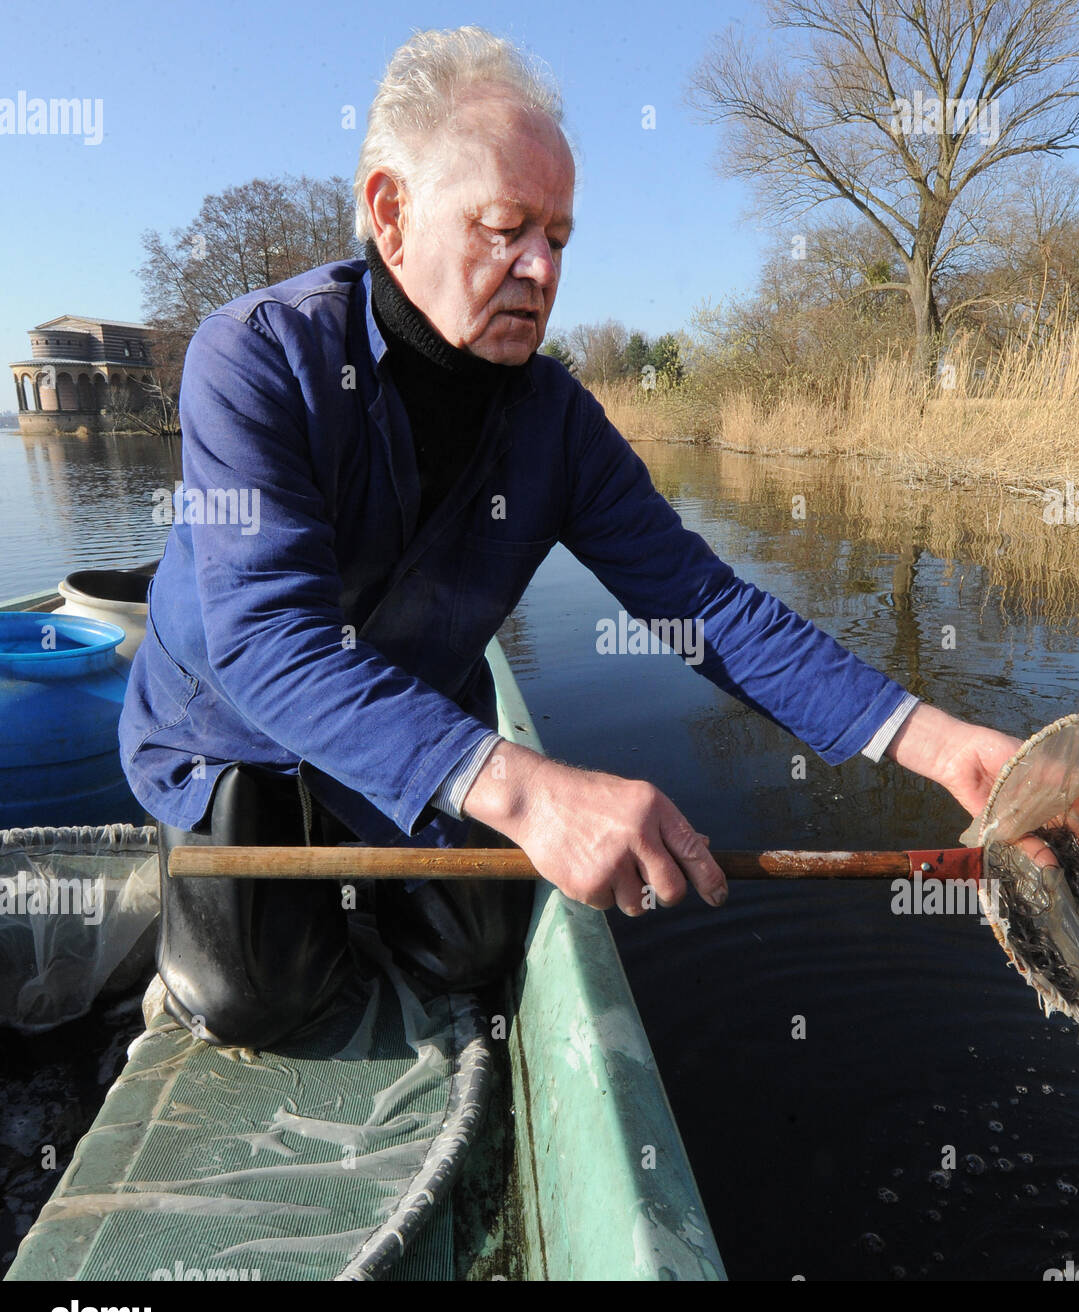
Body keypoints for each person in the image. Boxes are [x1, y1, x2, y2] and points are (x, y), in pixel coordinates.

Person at [119, 26, 1024, 1049]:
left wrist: (939, 742)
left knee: (470, 953)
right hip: (238, 733)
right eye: (505, 228)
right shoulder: (255, 360)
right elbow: (270, 645)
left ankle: (388, 849)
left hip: (420, 704)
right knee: (255, 1002)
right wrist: (529, 788)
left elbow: (708, 606)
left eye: (559, 236)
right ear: (390, 211)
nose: (541, 269)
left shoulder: (557, 422)